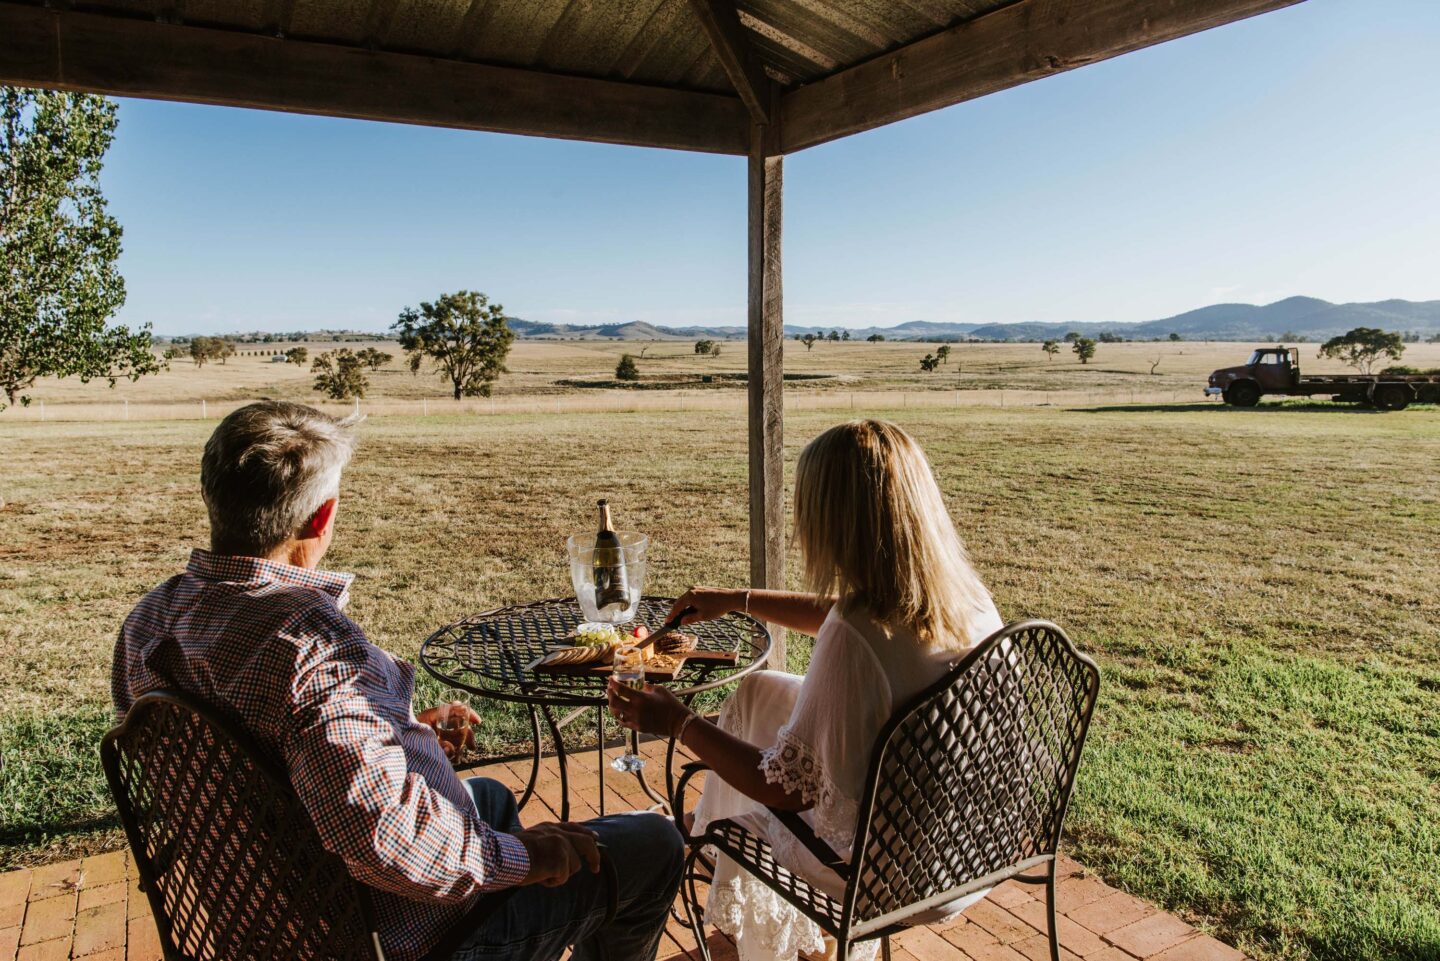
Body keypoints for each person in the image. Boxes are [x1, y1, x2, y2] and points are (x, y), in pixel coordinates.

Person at [112, 400, 681, 961]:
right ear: (321, 517)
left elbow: (259, 760)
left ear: (212, 497)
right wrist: (525, 859)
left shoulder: (151, 621)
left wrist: (399, 733)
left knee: (490, 796)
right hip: (386, 935)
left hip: (264, 909)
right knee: (653, 846)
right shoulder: (311, 647)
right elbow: (382, 838)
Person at [608, 419, 1003, 961]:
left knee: (745, 781)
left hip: (884, 871)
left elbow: (786, 789)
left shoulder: (855, 637)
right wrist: (738, 598)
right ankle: (709, 844)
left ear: (836, 521)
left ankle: (715, 856)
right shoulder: (965, 598)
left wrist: (677, 722)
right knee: (759, 693)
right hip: (966, 845)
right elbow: (846, 617)